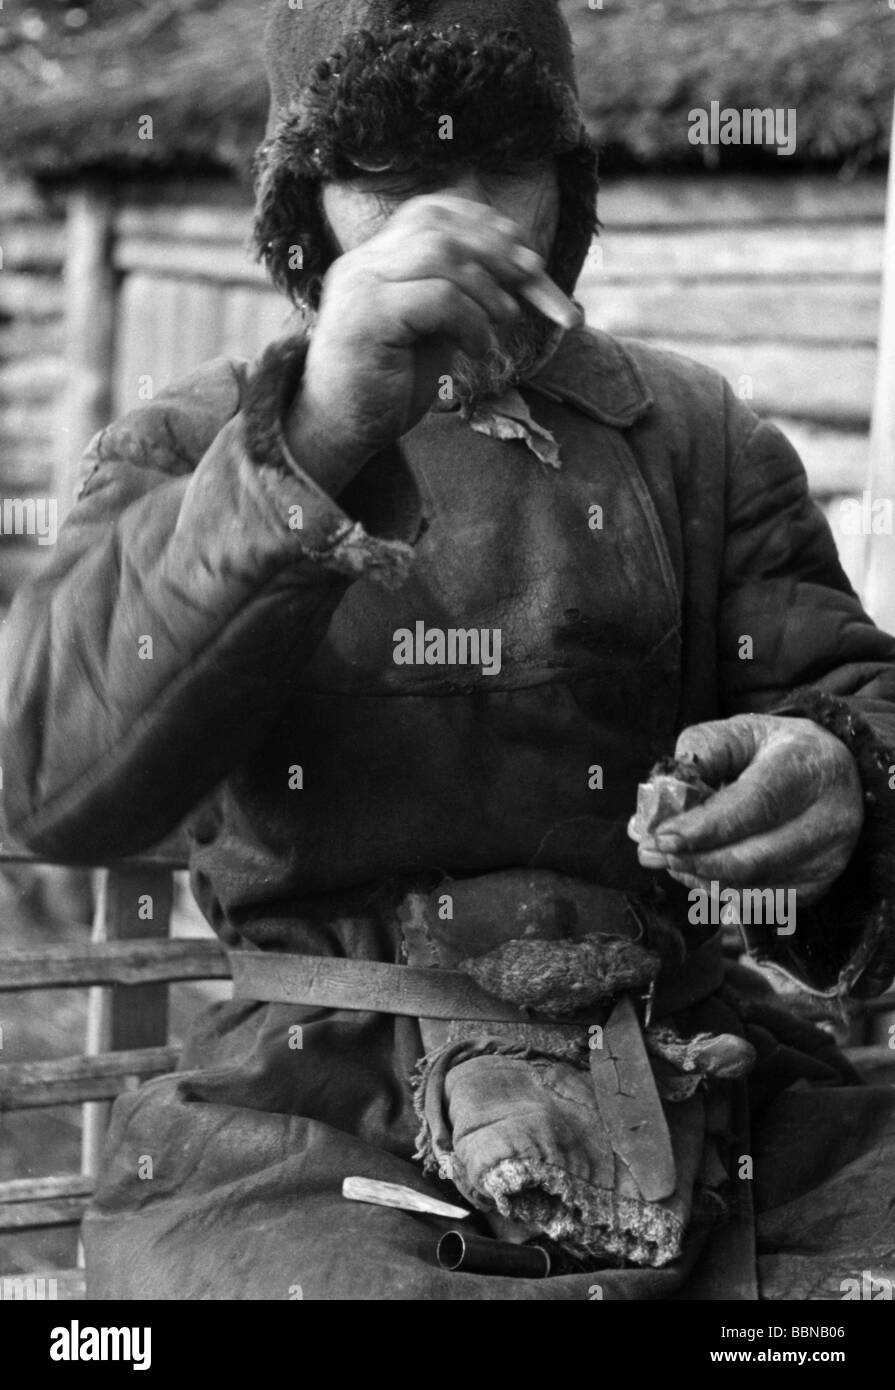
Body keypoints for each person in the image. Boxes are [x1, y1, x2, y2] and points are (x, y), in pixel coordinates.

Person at [2, 0, 894, 1300]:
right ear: (307, 206)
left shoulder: (692, 434)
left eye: (504, 163)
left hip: (700, 1080)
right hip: (319, 1119)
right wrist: (314, 438)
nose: (458, 222)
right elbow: (51, 776)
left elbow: (850, 706)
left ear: (565, 188)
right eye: (395, 174)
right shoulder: (195, 446)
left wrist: (840, 782)